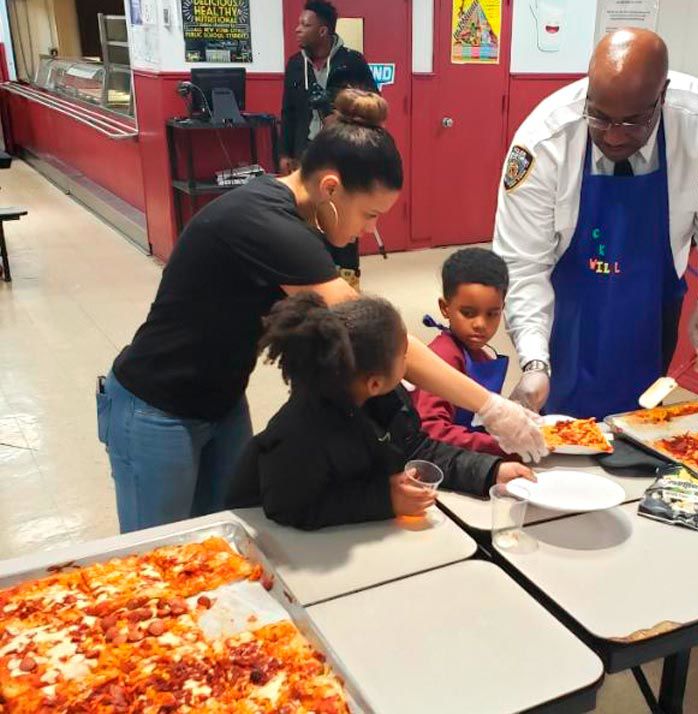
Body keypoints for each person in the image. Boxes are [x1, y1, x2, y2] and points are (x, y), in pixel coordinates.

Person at [97, 90, 544, 534]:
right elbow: (388, 345)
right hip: (156, 405)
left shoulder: (291, 218)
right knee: (156, 553)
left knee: (222, 537)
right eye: (369, 214)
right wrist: (491, 406)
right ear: (330, 187)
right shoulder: (268, 225)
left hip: (222, 399)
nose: (371, 231)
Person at [494, 29, 698, 420]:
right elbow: (522, 264)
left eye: (634, 121)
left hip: (653, 304)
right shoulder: (544, 139)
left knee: (640, 417)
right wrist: (534, 362)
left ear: (662, 95)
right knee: (557, 418)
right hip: (568, 307)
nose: (614, 135)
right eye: (600, 118)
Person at [227, 293, 534, 530]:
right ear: (374, 382)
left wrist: (489, 471)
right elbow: (291, 507)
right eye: (404, 354)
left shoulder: (387, 396)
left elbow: (418, 447)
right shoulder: (299, 433)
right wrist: (384, 500)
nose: (411, 361)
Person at [281, 1, 378, 290]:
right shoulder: (295, 64)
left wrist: (338, 106)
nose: (298, 29)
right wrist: (285, 153)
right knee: (308, 218)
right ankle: (316, 281)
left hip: (343, 155)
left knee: (343, 218)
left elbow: (373, 104)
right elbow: (288, 111)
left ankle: (347, 282)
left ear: (323, 31)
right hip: (306, 153)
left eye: (305, 25)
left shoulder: (353, 61)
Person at [412, 248, 510, 456]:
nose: (480, 324)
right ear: (445, 307)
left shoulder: (482, 356)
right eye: (468, 313)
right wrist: (498, 445)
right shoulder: (443, 356)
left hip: (471, 455)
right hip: (445, 464)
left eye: (492, 314)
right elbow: (431, 430)